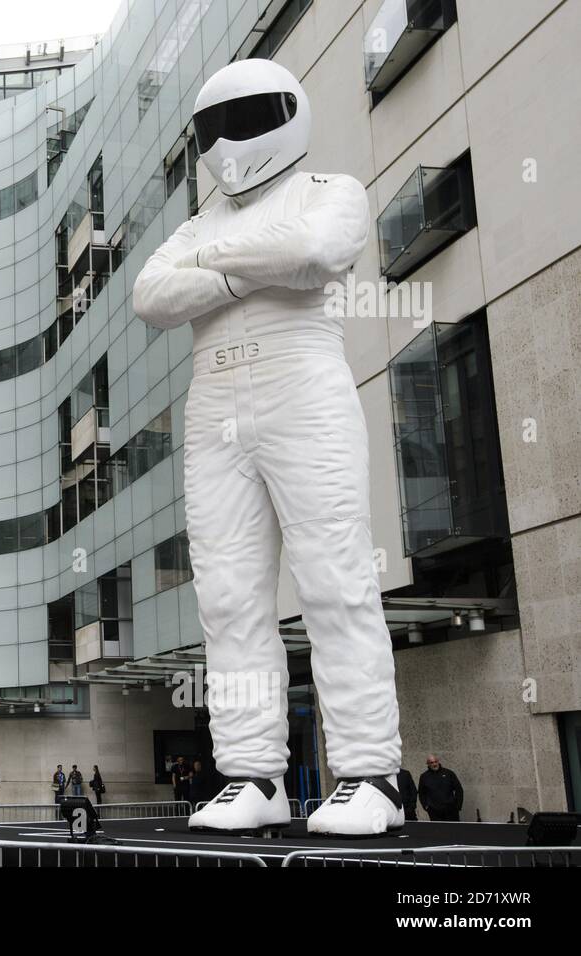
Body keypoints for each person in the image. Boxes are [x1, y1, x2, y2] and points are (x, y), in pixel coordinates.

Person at [135, 57, 403, 837]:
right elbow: (151, 295)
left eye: (241, 119)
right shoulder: (193, 223)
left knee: (334, 580)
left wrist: (211, 266)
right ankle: (252, 774)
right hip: (215, 404)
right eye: (210, 128)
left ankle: (369, 773)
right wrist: (251, 266)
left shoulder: (330, 191)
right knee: (227, 599)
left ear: (287, 113)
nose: (223, 142)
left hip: (304, 391)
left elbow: (317, 254)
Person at [418, 755, 463, 822]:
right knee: (438, 831)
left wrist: (458, 806)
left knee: (454, 830)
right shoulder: (424, 777)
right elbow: (421, 793)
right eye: (431, 763)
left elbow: (459, 789)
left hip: (451, 810)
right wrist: (426, 806)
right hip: (434, 812)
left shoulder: (449, 773)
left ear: (438, 762)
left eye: (435, 762)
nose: (434, 764)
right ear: (428, 764)